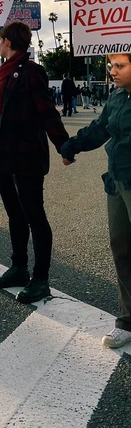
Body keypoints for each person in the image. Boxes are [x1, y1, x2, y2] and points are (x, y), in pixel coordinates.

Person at [0, 21, 69, 303]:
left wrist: (63, 145)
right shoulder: (3, 72)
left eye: (1, 39)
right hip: (4, 155)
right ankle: (19, 267)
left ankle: (41, 279)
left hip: (27, 155)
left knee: (35, 216)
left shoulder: (31, 71)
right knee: (15, 215)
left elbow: (47, 111)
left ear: (8, 41)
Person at [61, 54, 131, 348]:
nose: (112, 71)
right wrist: (73, 145)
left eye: (120, 66)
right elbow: (100, 129)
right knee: (122, 247)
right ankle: (127, 320)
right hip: (117, 181)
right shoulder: (116, 97)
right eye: (111, 66)